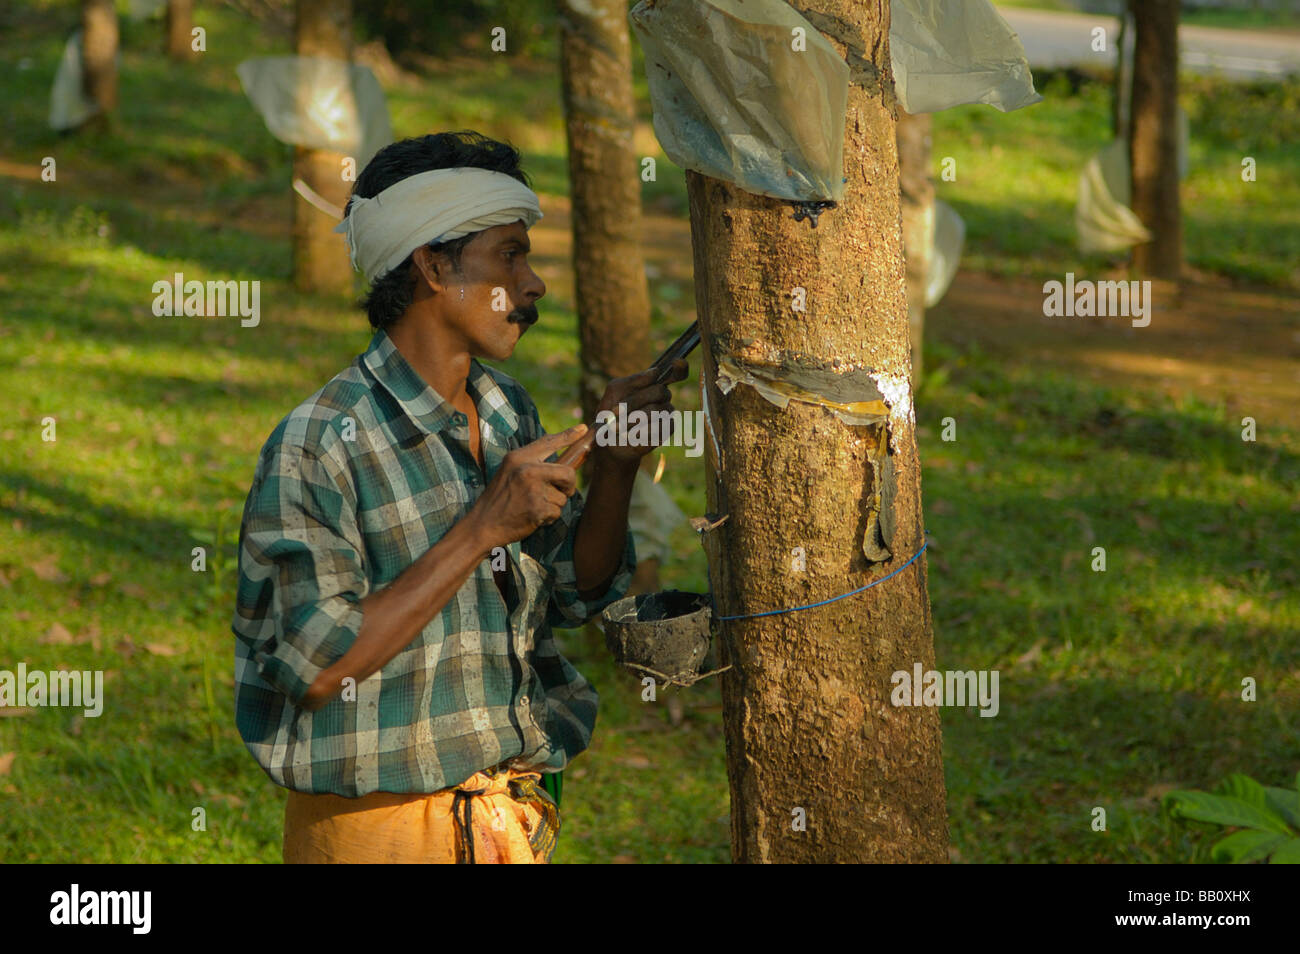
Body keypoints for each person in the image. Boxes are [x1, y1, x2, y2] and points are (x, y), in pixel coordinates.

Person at [231, 130, 688, 863]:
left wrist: (619, 468)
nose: (533, 283)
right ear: (434, 266)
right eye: (510, 255)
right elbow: (317, 669)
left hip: (504, 817)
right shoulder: (319, 445)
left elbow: (576, 592)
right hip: (377, 833)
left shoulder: (505, 410)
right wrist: (481, 527)